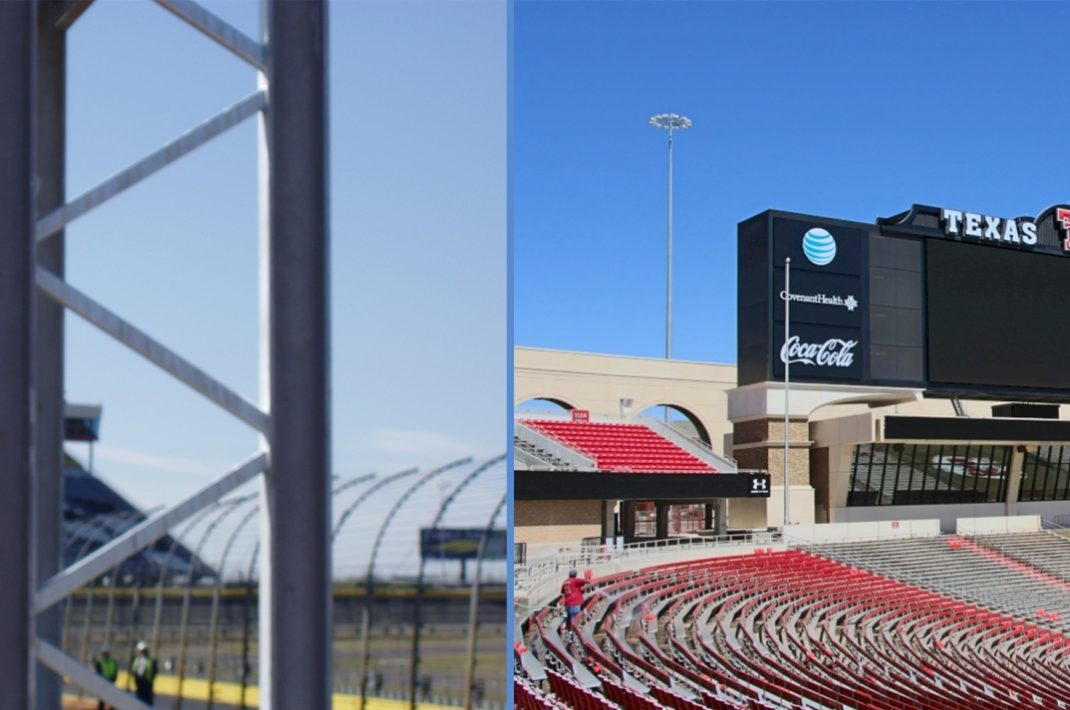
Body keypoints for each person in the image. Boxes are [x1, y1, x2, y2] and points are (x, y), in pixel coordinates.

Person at [130, 641, 158, 706]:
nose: (143, 652)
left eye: (144, 650)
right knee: (139, 702)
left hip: (148, 685)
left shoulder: (151, 660)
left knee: (147, 703)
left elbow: (154, 672)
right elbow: (134, 670)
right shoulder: (136, 660)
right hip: (139, 684)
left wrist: (148, 680)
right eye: (142, 651)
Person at [93, 644, 118, 710]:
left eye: (107, 653)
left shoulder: (113, 662)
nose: (106, 654)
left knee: (113, 703)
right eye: (104, 653)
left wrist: (111, 680)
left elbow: (115, 674)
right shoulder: (99, 663)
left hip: (111, 684)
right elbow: (98, 673)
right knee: (102, 703)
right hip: (102, 685)